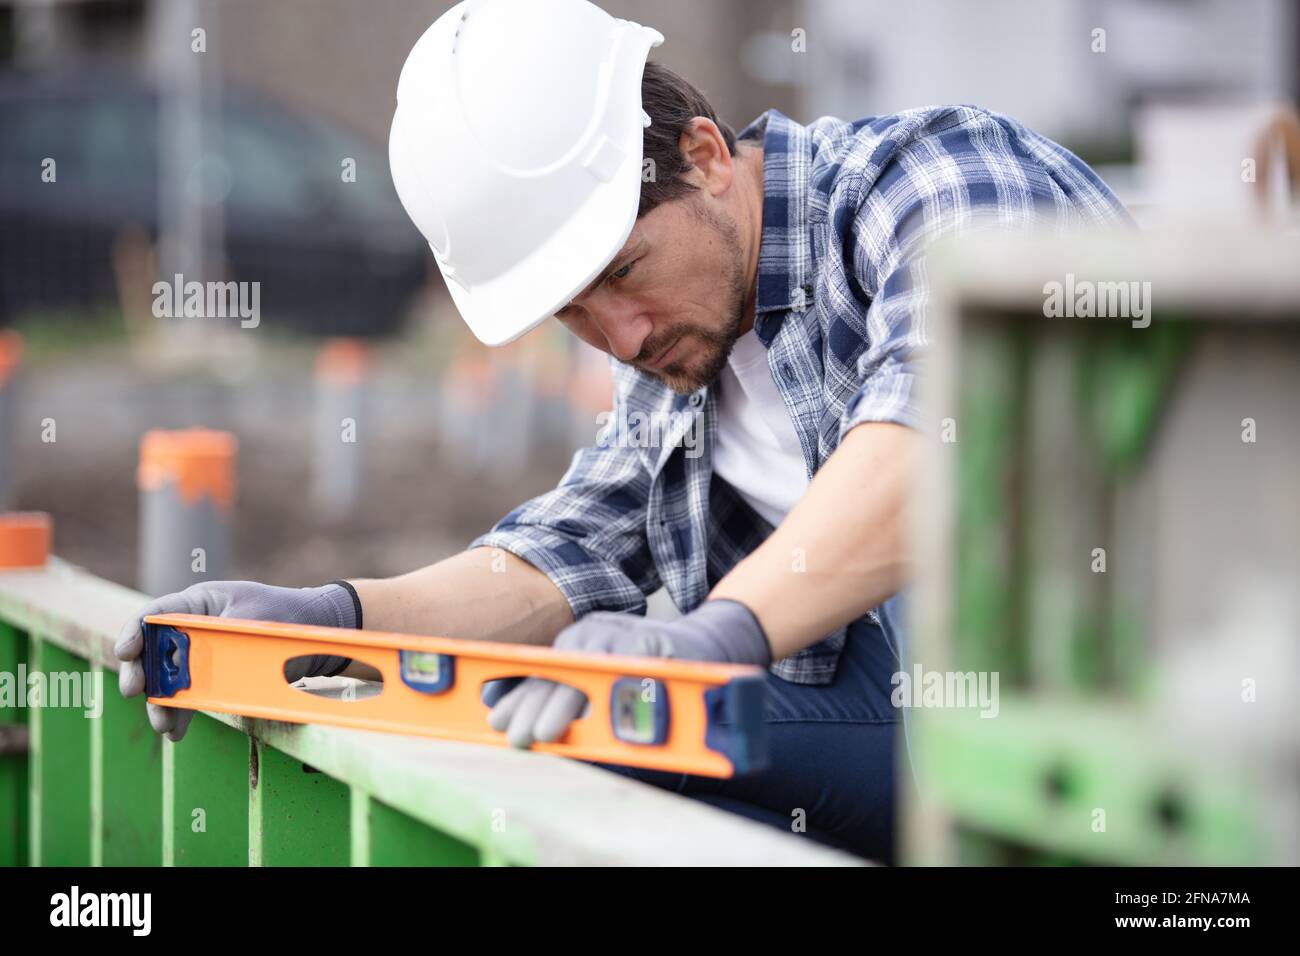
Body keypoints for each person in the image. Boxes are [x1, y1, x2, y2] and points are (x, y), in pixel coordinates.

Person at [115, 0, 1132, 862]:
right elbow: (560, 556)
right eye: (574, 312)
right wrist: (336, 618)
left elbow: (950, 433)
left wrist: (715, 634)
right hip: (918, 716)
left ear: (703, 157)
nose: (621, 334)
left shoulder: (937, 180)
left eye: (622, 272)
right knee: (545, 719)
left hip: (1122, 715)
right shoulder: (683, 348)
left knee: (618, 722)